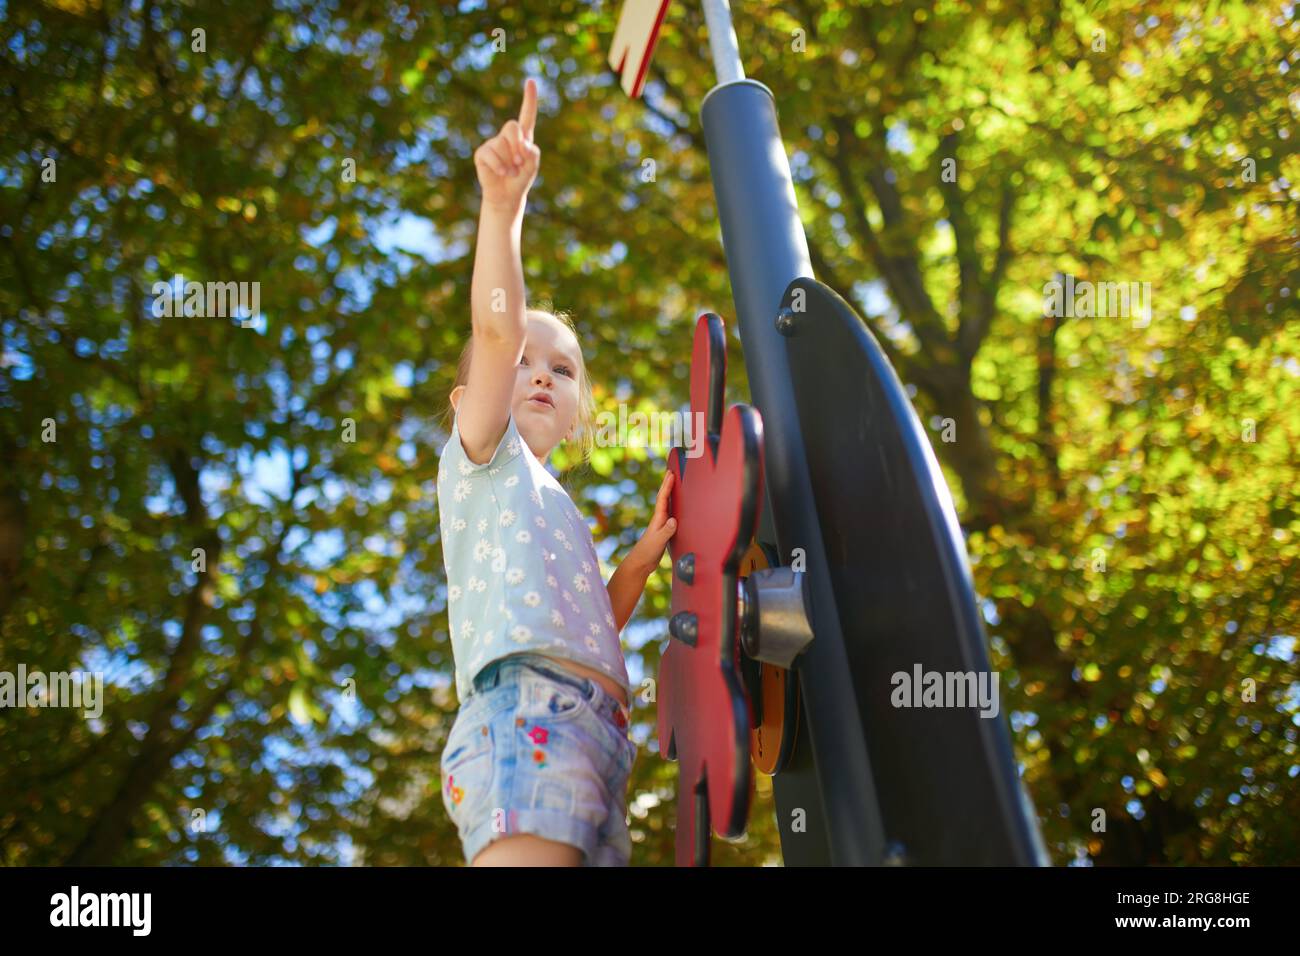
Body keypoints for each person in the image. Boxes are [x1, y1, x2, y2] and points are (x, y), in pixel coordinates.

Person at [437, 78, 677, 866]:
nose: (540, 375)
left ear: (579, 408)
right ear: (467, 398)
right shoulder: (485, 459)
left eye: (563, 369)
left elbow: (591, 630)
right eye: (522, 363)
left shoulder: (554, 506)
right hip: (526, 712)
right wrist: (503, 209)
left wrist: (641, 561)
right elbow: (495, 329)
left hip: (602, 731)